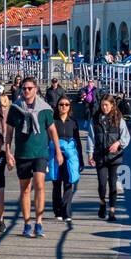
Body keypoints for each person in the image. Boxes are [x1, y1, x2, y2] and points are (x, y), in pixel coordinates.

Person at [5, 76, 63, 239]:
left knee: (39, 185)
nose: (26, 91)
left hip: (40, 153)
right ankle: (27, 223)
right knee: (25, 190)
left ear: (36, 89)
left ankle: (39, 222)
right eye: (24, 88)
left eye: (30, 88)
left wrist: (58, 151)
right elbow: (9, 132)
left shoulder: (44, 109)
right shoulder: (15, 108)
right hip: (23, 153)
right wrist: (7, 152)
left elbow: (52, 131)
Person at [91, 95, 131, 221]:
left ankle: (112, 211)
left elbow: (126, 137)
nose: (104, 108)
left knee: (112, 184)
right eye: (102, 105)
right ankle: (103, 203)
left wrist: (118, 143)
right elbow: (91, 137)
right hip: (100, 156)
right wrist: (90, 153)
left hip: (115, 157)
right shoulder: (96, 119)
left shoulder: (119, 119)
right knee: (102, 184)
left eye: (106, 105)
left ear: (112, 105)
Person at [49, 94, 85, 222]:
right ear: (57, 106)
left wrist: (81, 160)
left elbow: (78, 141)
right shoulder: (53, 121)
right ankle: (57, 210)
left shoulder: (73, 122)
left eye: (66, 105)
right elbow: (47, 139)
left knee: (69, 183)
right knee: (57, 183)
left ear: (70, 107)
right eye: (61, 104)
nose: (63, 107)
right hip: (55, 156)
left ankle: (66, 211)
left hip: (70, 157)